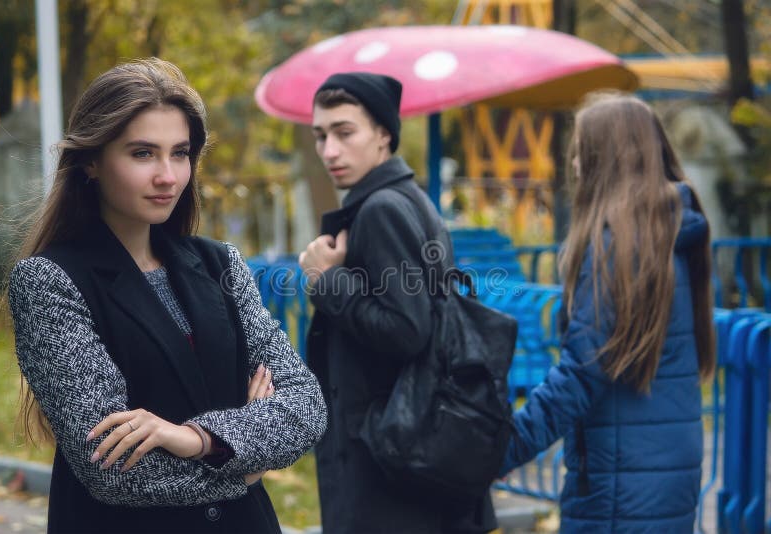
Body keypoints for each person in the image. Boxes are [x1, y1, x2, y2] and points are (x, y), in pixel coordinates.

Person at [7, 58, 326, 534]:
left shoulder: (221, 264)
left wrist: (197, 439)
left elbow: (306, 406)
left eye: (180, 153)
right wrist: (246, 463)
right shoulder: (49, 281)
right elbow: (112, 469)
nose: (169, 176)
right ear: (91, 161)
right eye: (142, 154)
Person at [500, 93, 716, 533]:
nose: (575, 166)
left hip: (622, 482)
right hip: (662, 471)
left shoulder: (617, 250)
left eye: (581, 152)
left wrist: (503, 450)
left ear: (605, 161)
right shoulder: (662, 237)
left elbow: (580, 375)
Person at [298, 72, 497, 533]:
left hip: (386, 467)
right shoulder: (408, 199)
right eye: (321, 136)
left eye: (345, 133)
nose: (330, 150)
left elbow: (407, 330)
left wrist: (327, 280)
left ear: (384, 134)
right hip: (411, 453)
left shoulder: (382, 209)